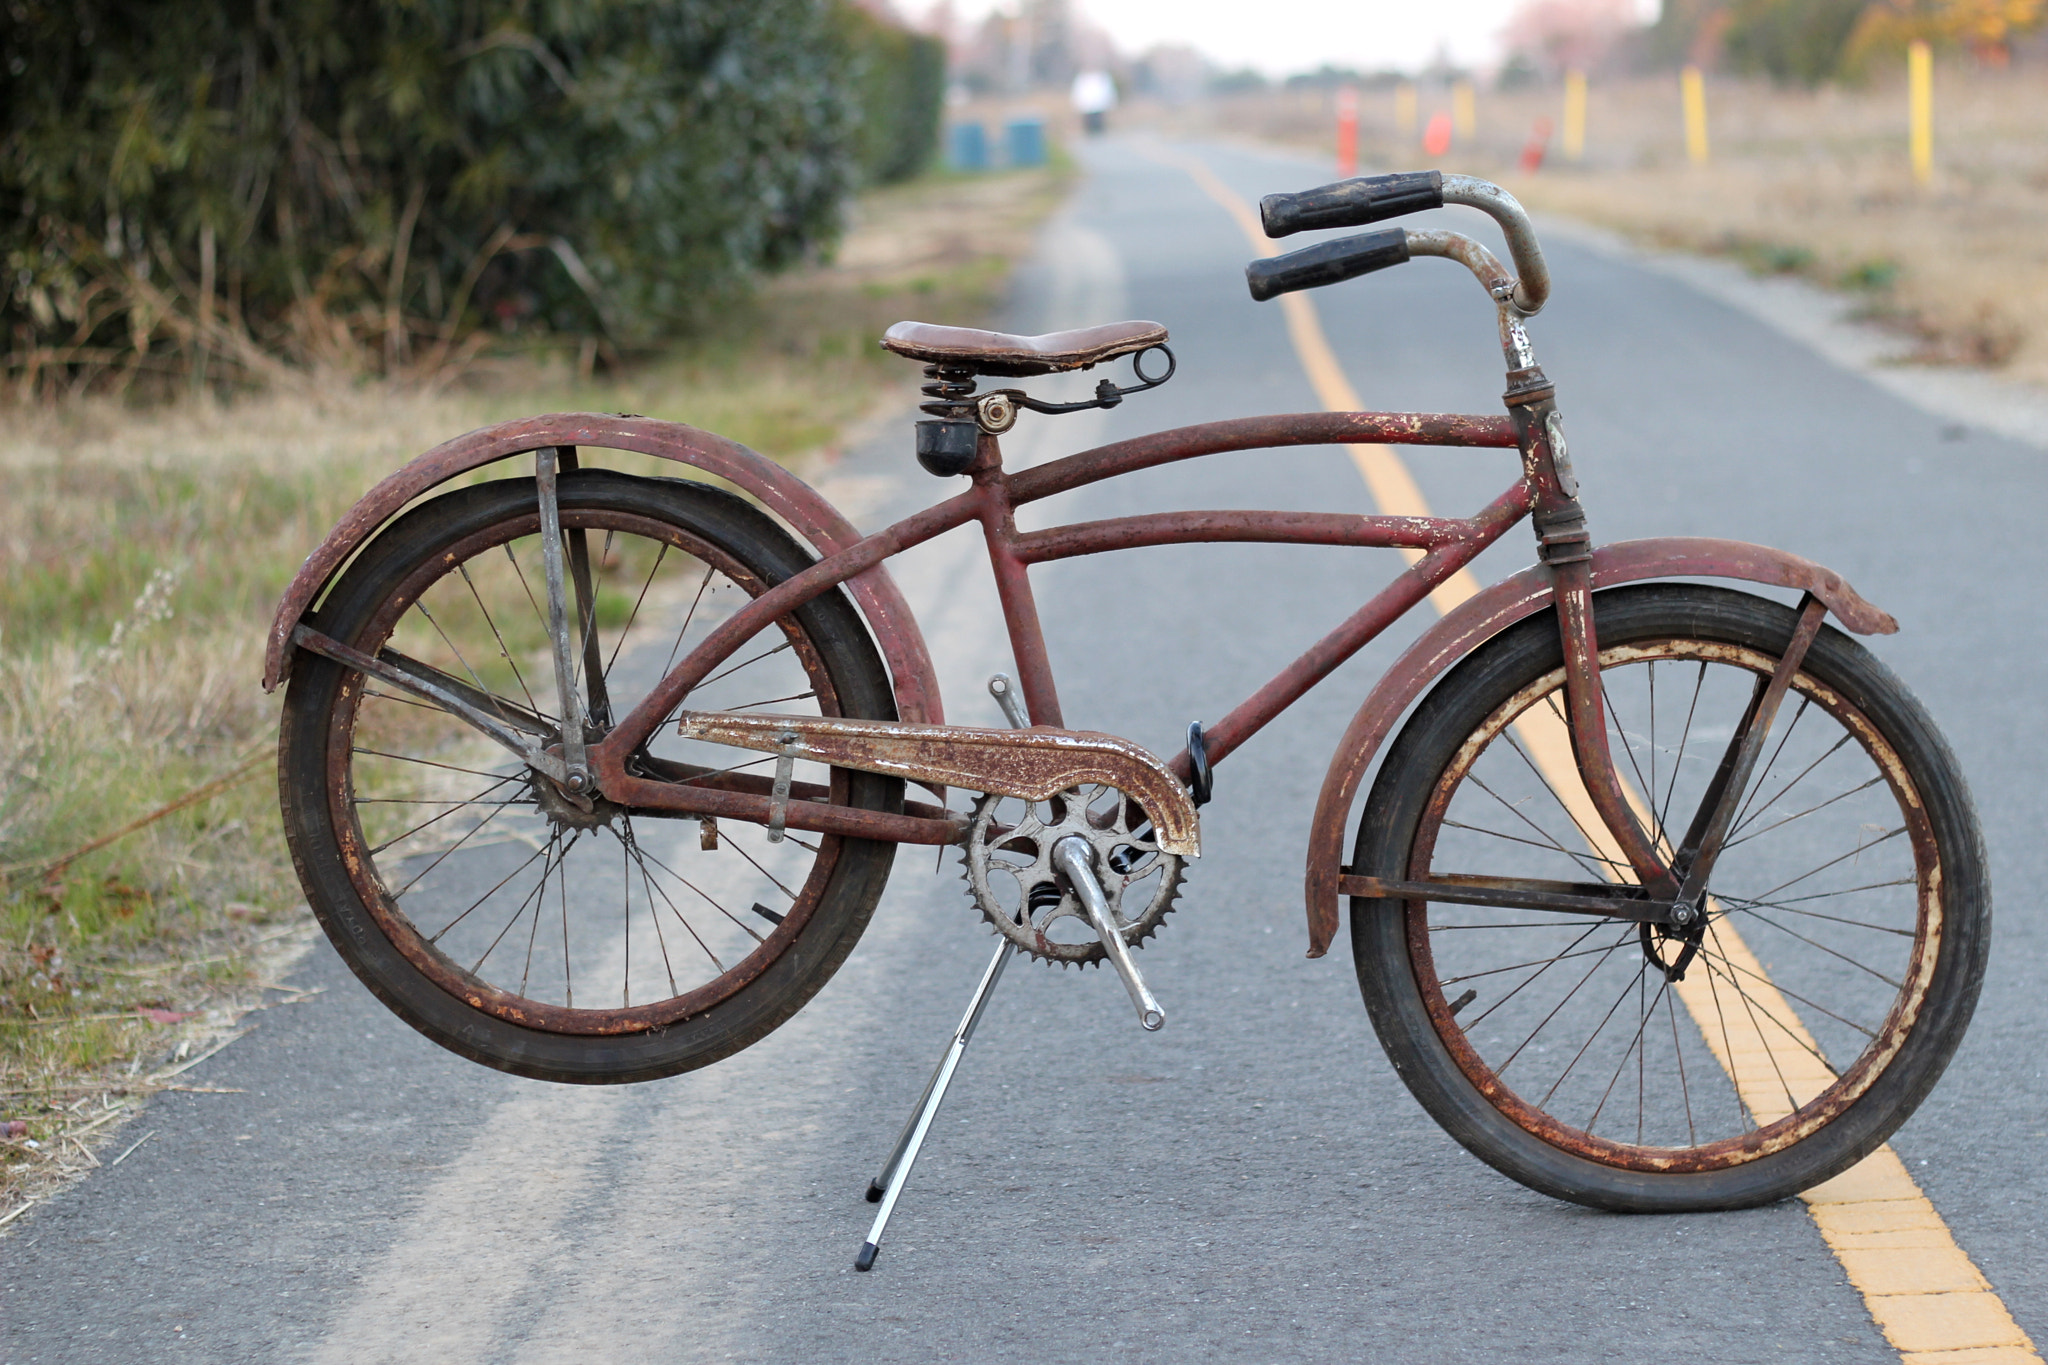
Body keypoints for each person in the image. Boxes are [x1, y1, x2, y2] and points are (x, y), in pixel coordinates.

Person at [1071, 69, 1116, 135]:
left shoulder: (1102, 77)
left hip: (1099, 108)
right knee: (1089, 128)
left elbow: (1108, 92)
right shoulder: (1082, 78)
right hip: (1087, 108)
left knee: (1099, 127)